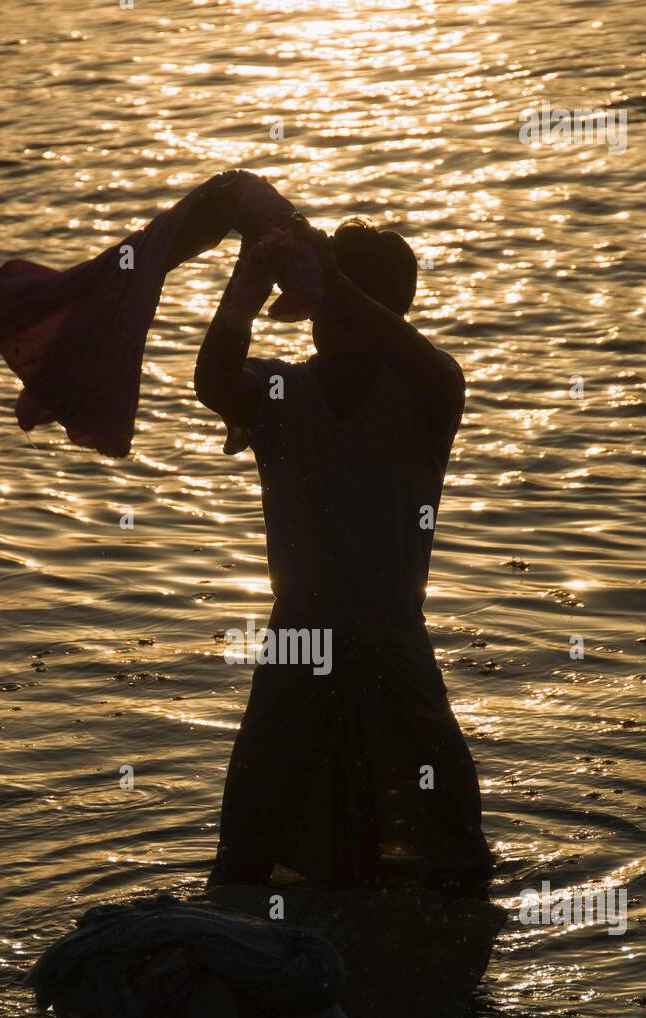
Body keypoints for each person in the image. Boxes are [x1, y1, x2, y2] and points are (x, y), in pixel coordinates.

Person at [195, 217, 493, 893]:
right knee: (250, 847)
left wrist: (330, 278)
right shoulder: (280, 393)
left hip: (391, 640)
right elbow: (212, 380)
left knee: (446, 854)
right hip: (298, 640)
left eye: (336, 295)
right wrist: (241, 295)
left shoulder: (427, 391)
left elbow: (414, 352)